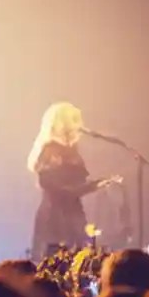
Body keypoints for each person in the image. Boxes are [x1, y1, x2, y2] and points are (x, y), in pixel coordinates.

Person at [27, 102, 120, 258]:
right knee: (58, 261)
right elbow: (56, 188)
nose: (80, 124)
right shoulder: (51, 151)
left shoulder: (70, 150)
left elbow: (73, 186)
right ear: (63, 123)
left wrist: (96, 185)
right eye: (75, 120)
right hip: (56, 218)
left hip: (72, 214)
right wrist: (93, 185)